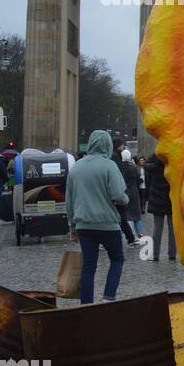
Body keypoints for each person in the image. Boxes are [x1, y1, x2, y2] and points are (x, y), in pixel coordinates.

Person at [67, 130, 129, 303]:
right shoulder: (109, 166)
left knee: (88, 266)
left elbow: (69, 201)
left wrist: (72, 227)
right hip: (107, 223)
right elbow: (119, 195)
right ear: (107, 145)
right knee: (117, 259)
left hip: (83, 225)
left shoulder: (76, 167)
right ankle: (108, 297)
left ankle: (86, 303)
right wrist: (125, 199)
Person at [144, 153, 176, 261]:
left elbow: (146, 165)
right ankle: (172, 254)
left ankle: (155, 254)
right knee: (172, 229)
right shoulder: (172, 161)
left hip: (157, 199)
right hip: (171, 199)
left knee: (157, 228)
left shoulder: (155, 161)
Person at [118, 149, 145, 240]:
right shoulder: (133, 167)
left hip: (123, 190)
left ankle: (127, 232)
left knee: (125, 214)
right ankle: (140, 233)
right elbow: (139, 179)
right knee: (136, 214)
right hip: (134, 192)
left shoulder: (119, 167)